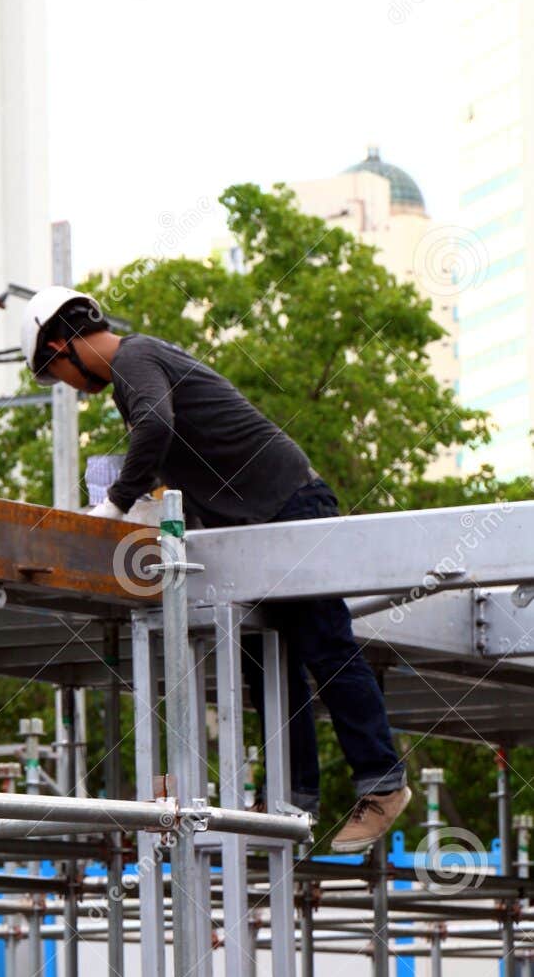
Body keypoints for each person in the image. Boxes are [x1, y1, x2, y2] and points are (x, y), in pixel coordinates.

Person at [21, 287, 410, 854]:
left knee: (325, 643)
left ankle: (384, 784)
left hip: (288, 504)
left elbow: (155, 428)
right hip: (252, 523)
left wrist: (115, 505)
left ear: (62, 345)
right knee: (263, 661)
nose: (71, 387)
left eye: (59, 373)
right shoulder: (138, 371)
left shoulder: (135, 359)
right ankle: (291, 798)